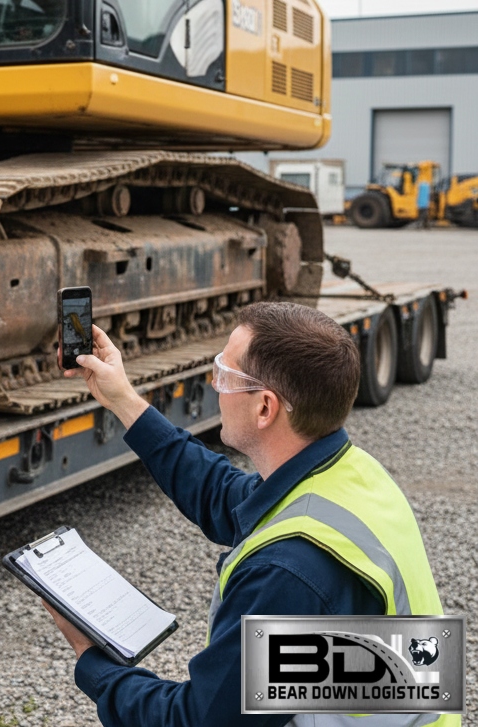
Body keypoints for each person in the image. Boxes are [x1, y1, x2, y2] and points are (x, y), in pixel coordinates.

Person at [43, 301, 455, 727]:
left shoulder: (289, 571)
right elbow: (225, 497)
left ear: (265, 408)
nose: (214, 384)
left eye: (225, 373)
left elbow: (198, 722)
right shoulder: (350, 474)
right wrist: (124, 400)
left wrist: (92, 662)